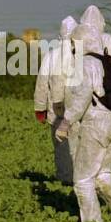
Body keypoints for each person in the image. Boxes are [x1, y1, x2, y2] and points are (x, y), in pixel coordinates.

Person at [57, 22, 111, 222]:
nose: (72, 48)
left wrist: (66, 122)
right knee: (103, 175)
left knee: (82, 180)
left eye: (74, 43)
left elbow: (81, 96)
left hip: (96, 125)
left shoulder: (86, 64)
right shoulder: (107, 63)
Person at [33, 15, 78, 184]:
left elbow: (42, 84)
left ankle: (65, 181)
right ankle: (82, 181)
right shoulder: (82, 55)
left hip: (56, 114)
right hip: (79, 113)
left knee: (61, 149)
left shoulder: (51, 56)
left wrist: (40, 108)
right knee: (78, 148)